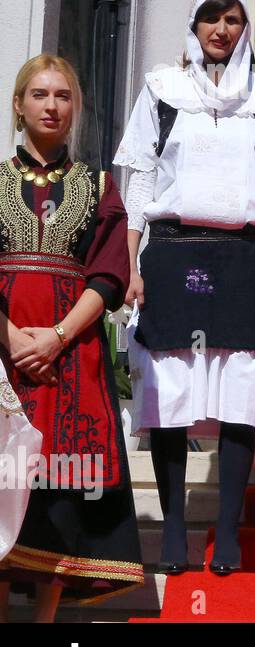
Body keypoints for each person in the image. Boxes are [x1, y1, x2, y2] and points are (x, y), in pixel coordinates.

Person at [115, 0, 255, 576]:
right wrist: (133, 259)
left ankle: (228, 531)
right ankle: (170, 534)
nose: (223, 28)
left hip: (242, 254)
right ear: (194, 22)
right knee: (171, 392)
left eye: (234, 18)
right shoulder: (163, 87)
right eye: (212, 16)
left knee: (242, 390)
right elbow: (139, 177)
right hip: (173, 250)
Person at [0, 55, 143, 618]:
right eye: (39, 94)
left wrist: (56, 338)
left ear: (75, 108)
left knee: (59, 484)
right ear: (19, 105)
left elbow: (109, 273)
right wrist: (11, 340)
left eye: (63, 95)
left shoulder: (100, 184)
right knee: (1, 479)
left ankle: (44, 621)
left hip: (71, 356)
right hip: (3, 357)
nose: (51, 105)